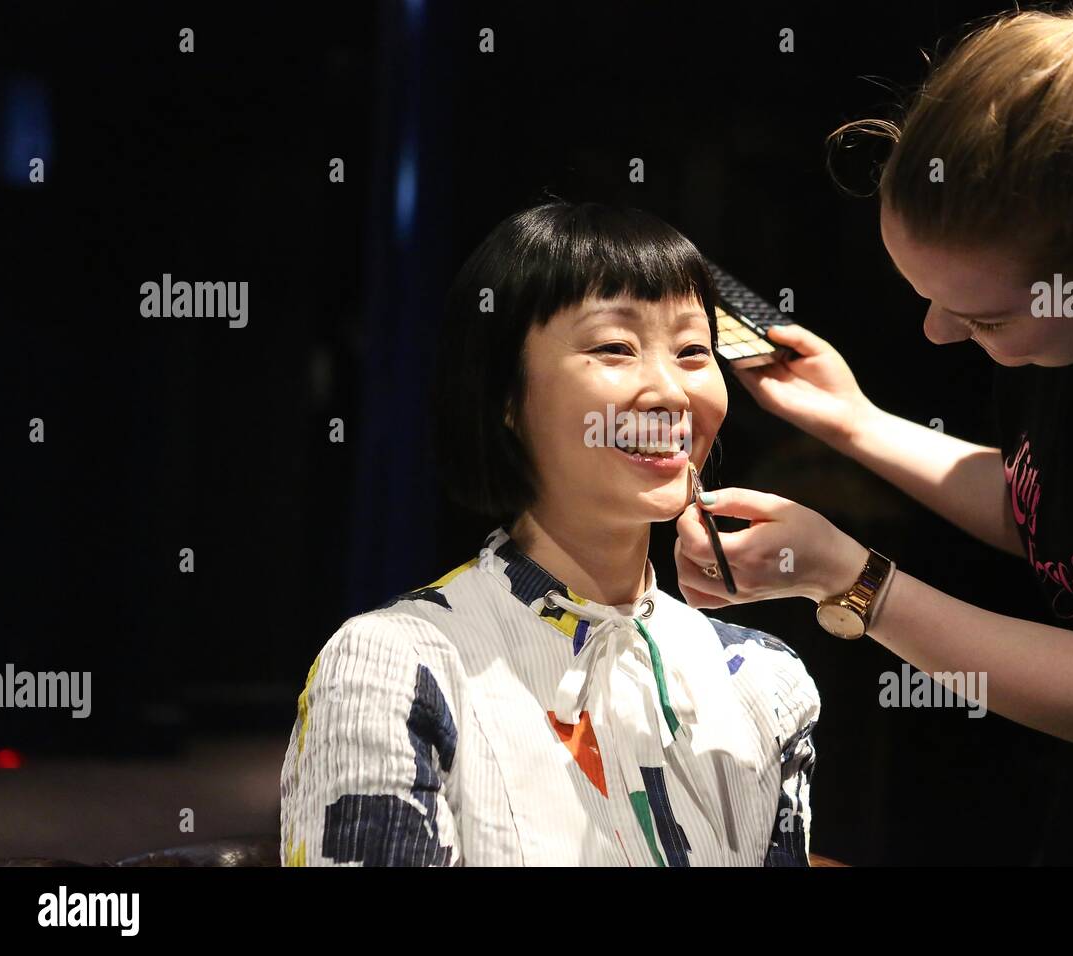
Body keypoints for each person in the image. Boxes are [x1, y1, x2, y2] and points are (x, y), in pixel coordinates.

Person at [674, 0, 1073, 864]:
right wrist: (853, 421)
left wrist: (851, 581)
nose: (937, 332)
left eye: (981, 317)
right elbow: (1057, 509)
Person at [279, 202, 821, 866]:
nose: (672, 392)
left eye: (692, 351)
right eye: (615, 347)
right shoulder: (398, 665)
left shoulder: (766, 681)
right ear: (505, 396)